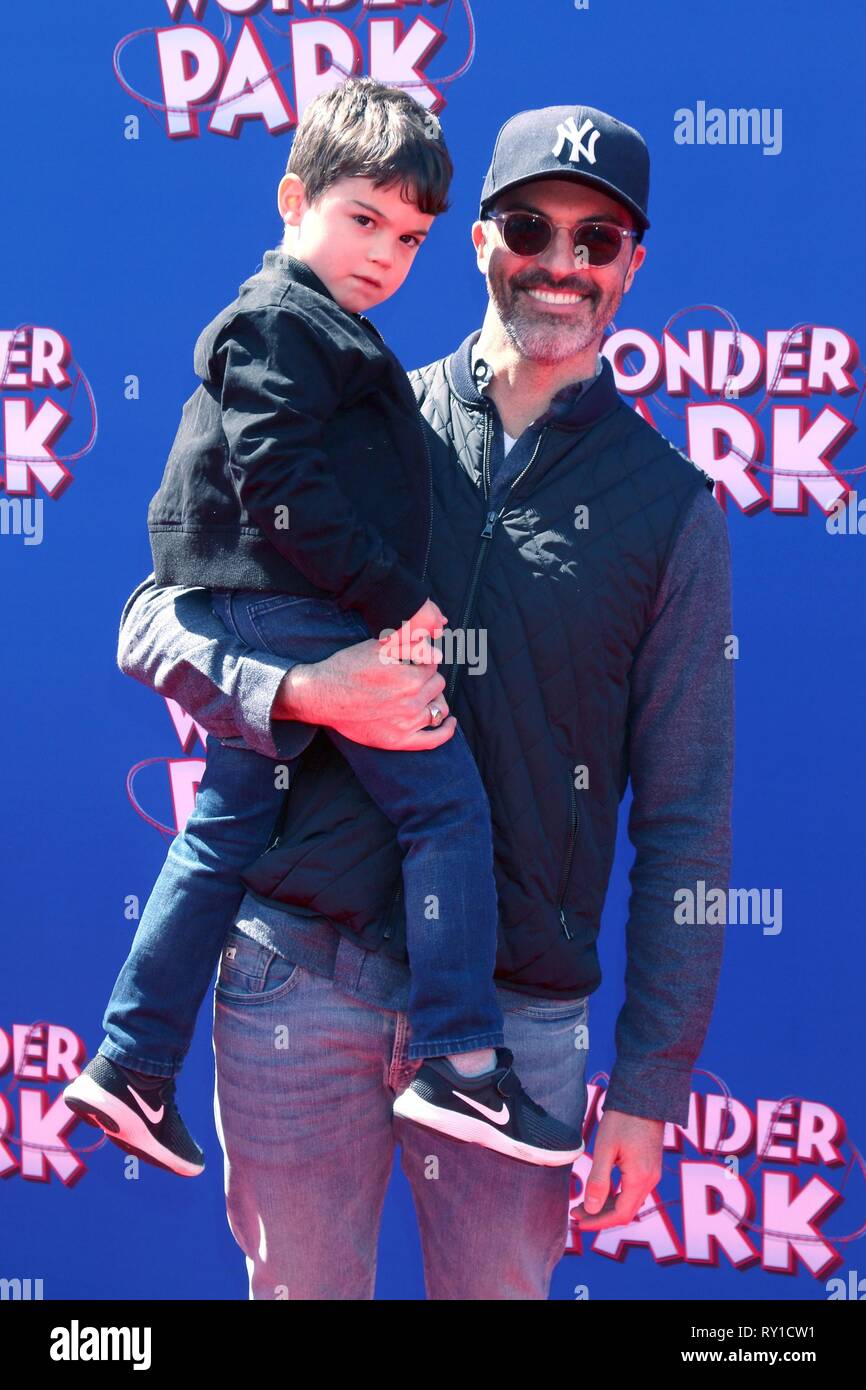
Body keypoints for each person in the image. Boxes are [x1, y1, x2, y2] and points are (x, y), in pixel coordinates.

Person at [100, 101, 734, 1300]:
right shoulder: (349, 409)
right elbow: (154, 617)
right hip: (296, 979)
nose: (561, 262)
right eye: (529, 227)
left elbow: (687, 817)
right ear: (478, 242)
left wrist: (650, 1087)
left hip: (516, 1025)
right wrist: (301, 685)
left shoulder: (672, 509)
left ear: (632, 264)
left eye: (596, 240)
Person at [63, 78, 584, 1178]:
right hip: (289, 613)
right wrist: (393, 600)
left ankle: (131, 1063)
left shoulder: (325, 329)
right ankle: (457, 1063)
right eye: (361, 219)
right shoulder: (279, 321)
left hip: (273, 606)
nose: (384, 254)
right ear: (293, 196)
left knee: (220, 832)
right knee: (443, 810)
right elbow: (278, 482)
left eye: (409, 236)